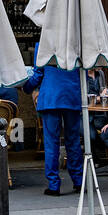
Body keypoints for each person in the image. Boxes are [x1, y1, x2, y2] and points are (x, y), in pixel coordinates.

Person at [24, 41, 85, 196]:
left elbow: (38, 73)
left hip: (51, 96)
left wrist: (27, 87)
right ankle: (78, 181)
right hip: (71, 94)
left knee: (52, 142)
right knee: (73, 140)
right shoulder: (75, 40)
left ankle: (54, 185)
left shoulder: (43, 43)